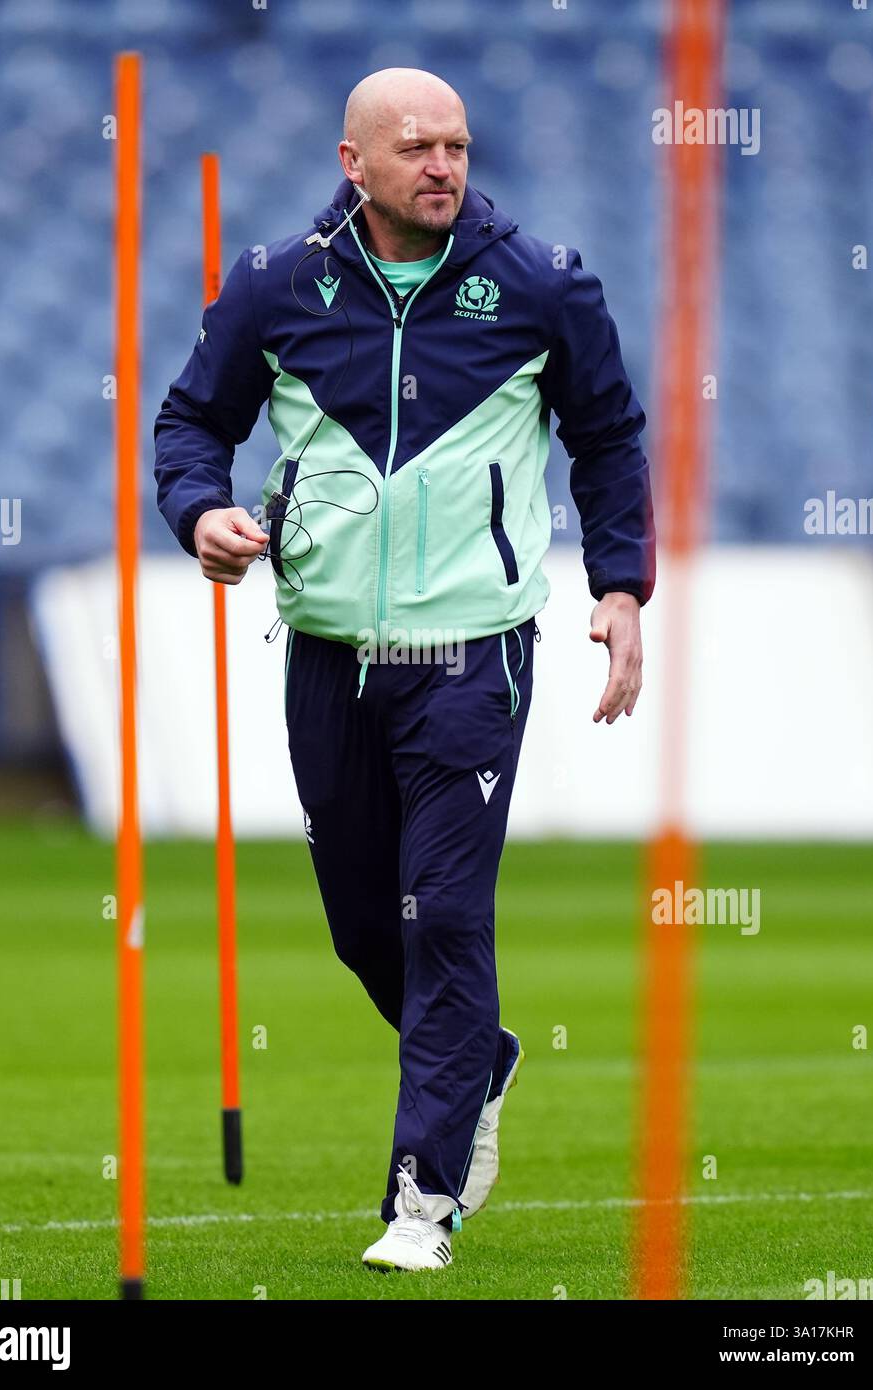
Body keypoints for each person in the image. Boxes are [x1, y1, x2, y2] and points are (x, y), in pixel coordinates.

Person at [154, 67, 655, 1272]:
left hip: (471, 662)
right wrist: (199, 516)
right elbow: (189, 424)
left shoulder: (540, 283)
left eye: (459, 147)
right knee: (363, 927)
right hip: (328, 660)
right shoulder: (277, 284)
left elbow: (607, 437)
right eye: (418, 148)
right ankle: (480, 1060)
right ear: (355, 161)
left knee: (443, 920)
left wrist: (621, 588)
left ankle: (421, 1205)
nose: (443, 166)